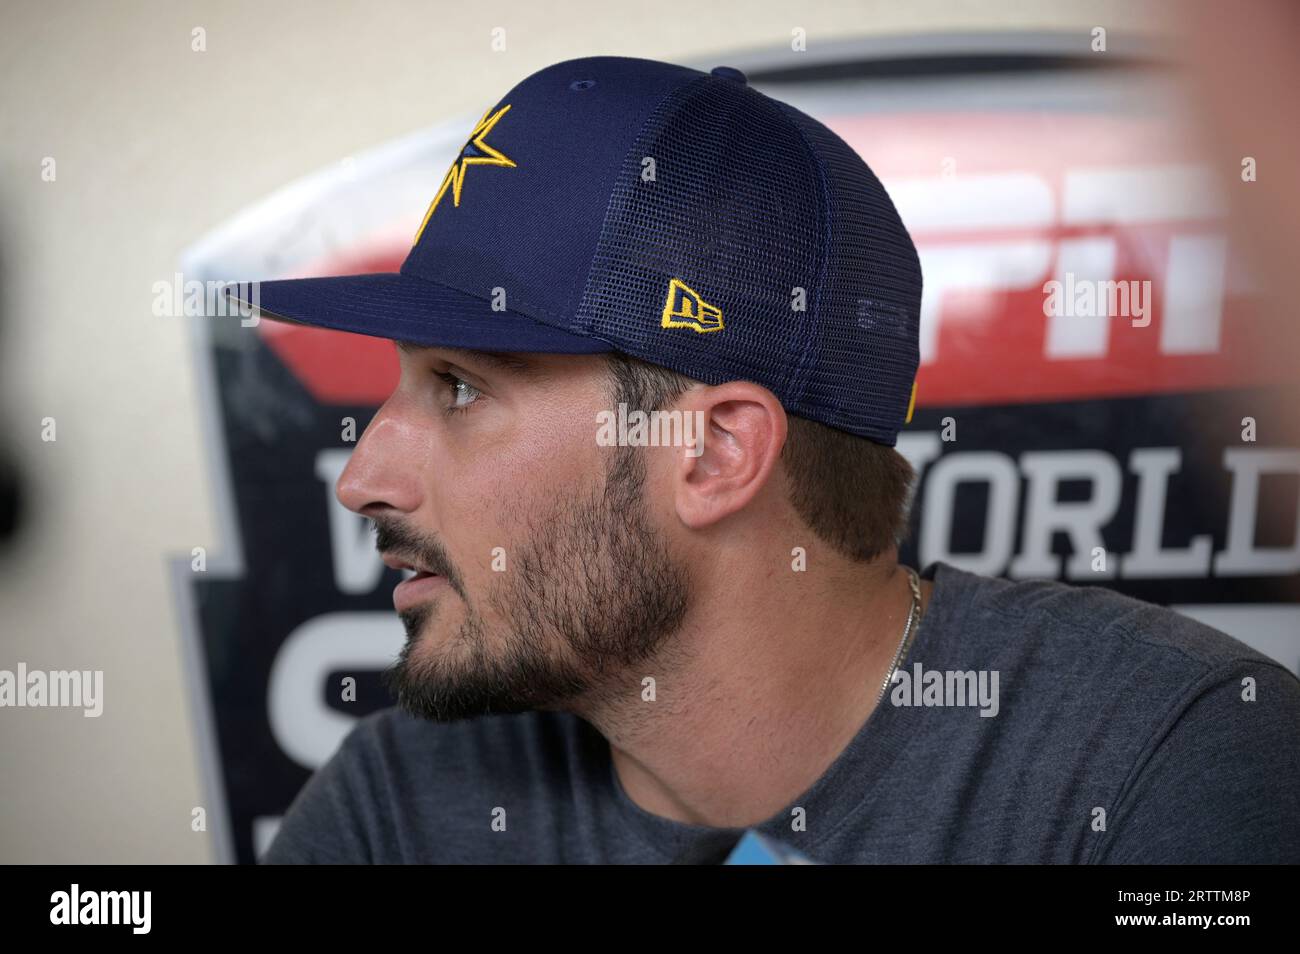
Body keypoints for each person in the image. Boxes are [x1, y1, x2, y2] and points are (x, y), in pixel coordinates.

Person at [229, 56, 1300, 863]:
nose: (363, 478)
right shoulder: (402, 807)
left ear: (713, 452)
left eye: (459, 389)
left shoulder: (1172, 768)